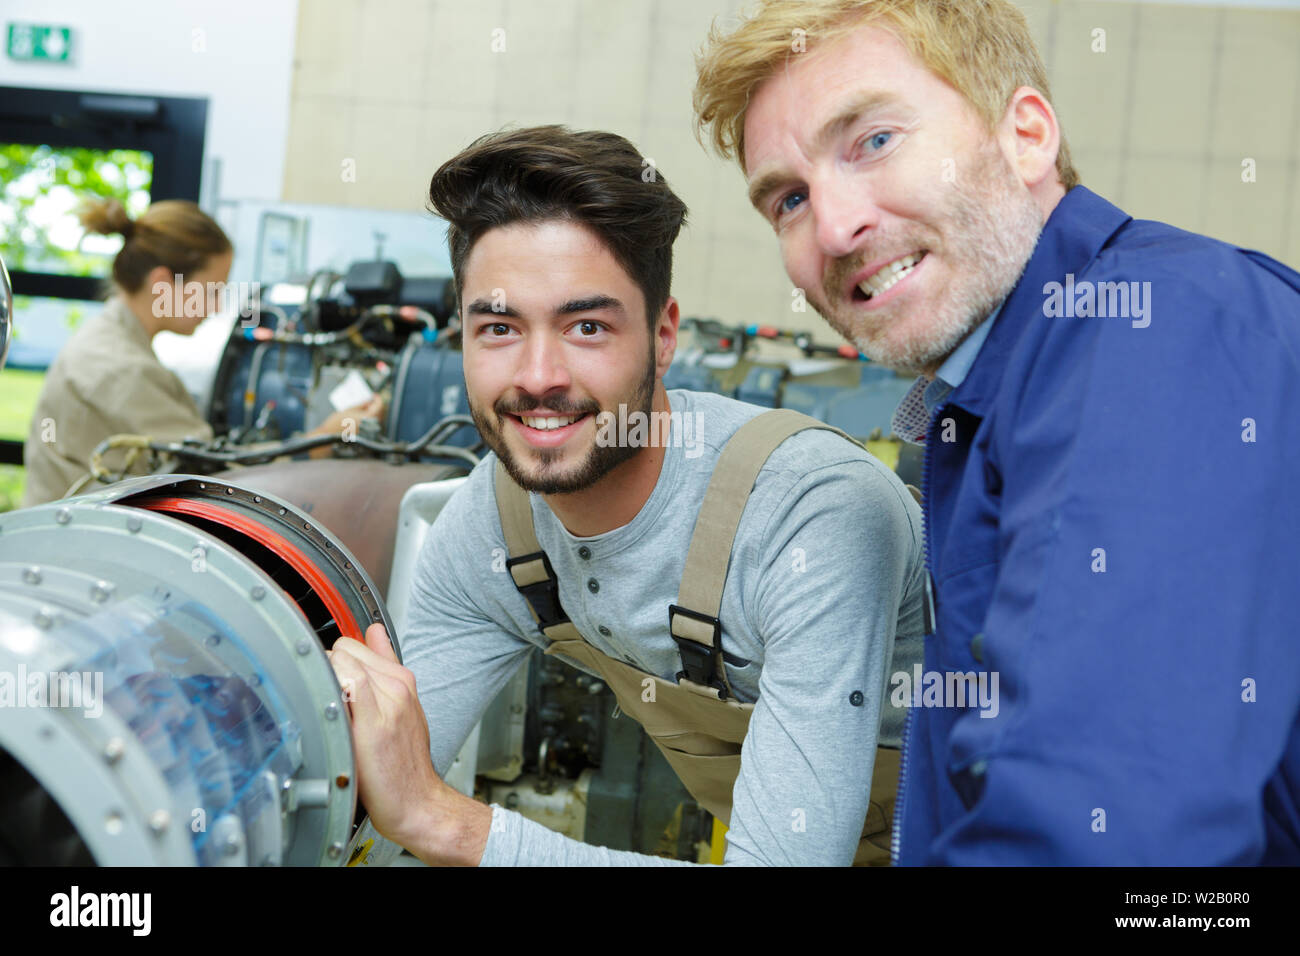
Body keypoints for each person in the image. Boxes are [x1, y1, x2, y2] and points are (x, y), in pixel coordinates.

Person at [692, 0, 1300, 864]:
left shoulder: (1150, 333)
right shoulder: (998, 393)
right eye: (789, 199)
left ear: (1026, 135)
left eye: (872, 141)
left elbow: (1113, 832)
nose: (834, 228)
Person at [328, 125, 929, 865]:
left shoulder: (810, 515)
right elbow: (360, 786)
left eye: (586, 325)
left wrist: (444, 822)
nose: (538, 375)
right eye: (499, 327)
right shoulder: (498, 525)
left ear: (663, 335)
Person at [21, 198, 383, 507]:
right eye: (210, 291)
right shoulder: (119, 366)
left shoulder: (112, 340)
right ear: (162, 283)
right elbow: (216, 475)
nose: (213, 308)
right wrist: (321, 441)